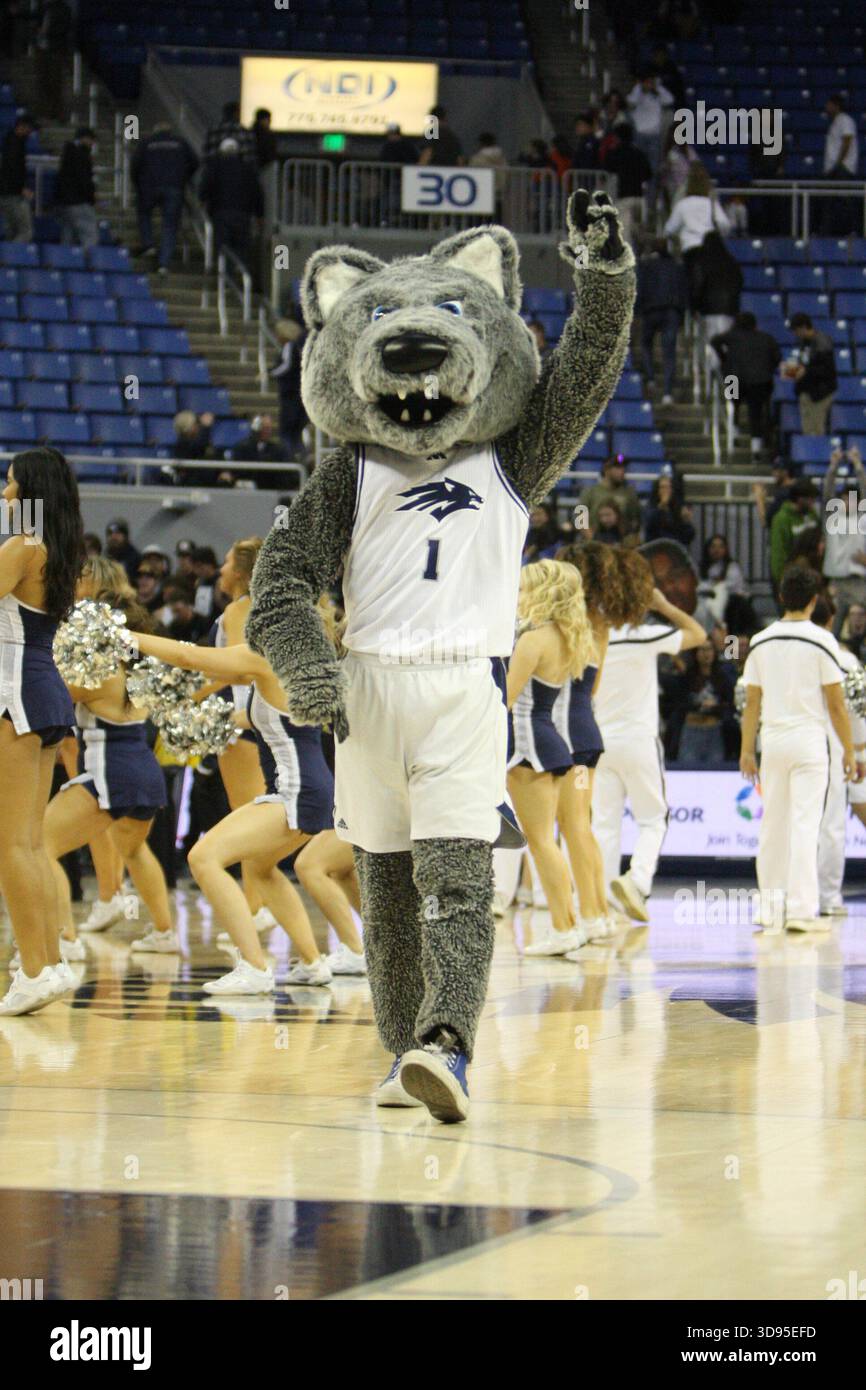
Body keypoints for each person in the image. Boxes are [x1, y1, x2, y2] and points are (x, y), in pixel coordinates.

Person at [128, 627, 336, 992]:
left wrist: (129, 636)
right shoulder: (288, 663)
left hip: (296, 792)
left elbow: (191, 657)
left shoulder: (268, 658)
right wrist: (194, 723)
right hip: (305, 789)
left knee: (204, 858)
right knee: (261, 868)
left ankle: (254, 968)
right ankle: (313, 962)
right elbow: (245, 716)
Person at [43, 588, 177, 959]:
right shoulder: (138, 670)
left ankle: (64, 940)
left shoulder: (100, 670)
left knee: (40, 847)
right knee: (133, 850)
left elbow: (51, 694)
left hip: (111, 773)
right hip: (146, 774)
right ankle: (165, 933)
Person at [0, 448, 85, 1015]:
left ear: (29, 491)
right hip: (45, 688)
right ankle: (48, 964)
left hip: (15, 696)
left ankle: (34, 968)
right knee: (28, 843)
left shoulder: (21, 546)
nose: (4, 496)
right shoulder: (57, 548)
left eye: (9, 486)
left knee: (12, 845)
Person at [592, 548, 706, 923]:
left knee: (603, 825)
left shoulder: (597, 635)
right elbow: (698, 634)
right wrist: (663, 605)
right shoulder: (644, 635)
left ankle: (603, 902)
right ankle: (638, 881)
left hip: (598, 741)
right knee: (654, 819)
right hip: (638, 740)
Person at [740, 565, 856, 931]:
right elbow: (836, 705)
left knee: (773, 824)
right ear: (813, 601)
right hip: (809, 740)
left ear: (780, 597)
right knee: (806, 823)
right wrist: (850, 750)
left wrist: (746, 750)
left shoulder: (760, 640)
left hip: (771, 741)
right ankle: (802, 909)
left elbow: (752, 703)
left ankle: (769, 908)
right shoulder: (823, 641)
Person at [506, 560, 591, 954]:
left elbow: (504, 699)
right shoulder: (564, 636)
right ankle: (568, 924)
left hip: (529, 747)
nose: (518, 596)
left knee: (541, 841)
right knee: (547, 840)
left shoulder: (533, 639)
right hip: (550, 741)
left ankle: (564, 927)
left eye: (524, 589)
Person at [553, 542, 621, 944]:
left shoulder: (566, 620)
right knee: (582, 824)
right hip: (586, 729)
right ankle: (601, 911)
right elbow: (593, 685)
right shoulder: (600, 621)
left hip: (569, 735)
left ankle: (592, 915)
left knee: (573, 825)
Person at [812, 595, 866, 916]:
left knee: (788, 824)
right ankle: (828, 898)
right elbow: (858, 711)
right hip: (828, 746)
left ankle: (785, 899)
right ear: (831, 621)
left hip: (781, 742)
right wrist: (858, 751)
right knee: (831, 825)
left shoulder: (768, 645)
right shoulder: (844, 660)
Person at [130, 122, 199, 275]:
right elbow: (195, 162)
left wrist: (138, 185)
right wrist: (184, 177)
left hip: (148, 186)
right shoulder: (181, 143)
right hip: (174, 187)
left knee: (144, 214)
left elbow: (135, 165)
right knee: (170, 225)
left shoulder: (146, 143)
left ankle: (149, 245)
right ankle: (163, 264)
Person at [711, 312, 781, 456]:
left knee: (732, 406)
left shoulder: (731, 336)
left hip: (733, 377)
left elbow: (714, 341)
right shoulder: (766, 338)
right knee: (756, 413)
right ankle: (756, 446)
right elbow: (777, 358)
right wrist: (767, 369)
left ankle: (734, 434)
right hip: (759, 380)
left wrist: (724, 358)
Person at [663, 163, 731, 300]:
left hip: (690, 250)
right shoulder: (710, 203)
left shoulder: (683, 205)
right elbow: (725, 225)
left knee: (690, 286)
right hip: (709, 250)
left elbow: (669, 229)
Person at [199, 137, 264, 269]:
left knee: (223, 246)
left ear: (221, 151)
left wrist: (202, 200)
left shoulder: (214, 167)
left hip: (220, 213)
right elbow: (257, 192)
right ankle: (239, 276)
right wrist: (259, 214)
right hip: (243, 214)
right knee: (241, 247)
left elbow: (205, 187)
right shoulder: (248, 169)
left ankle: (224, 276)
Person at [637, 236, 688, 404]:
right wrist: (682, 313)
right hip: (671, 311)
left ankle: (650, 378)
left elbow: (640, 287)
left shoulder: (645, 266)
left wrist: (637, 310)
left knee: (645, 344)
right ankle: (667, 392)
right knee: (669, 352)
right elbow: (683, 290)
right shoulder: (677, 266)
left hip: (651, 310)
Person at [669, 640, 735, 765]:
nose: (706, 653)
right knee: (688, 772)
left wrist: (715, 707)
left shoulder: (722, 677)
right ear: (696, 653)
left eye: (709, 649)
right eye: (702, 649)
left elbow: (730, 704)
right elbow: (679, 704)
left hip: (713, 731)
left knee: (716, 773)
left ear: (714, 652)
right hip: (691, 731)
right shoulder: (687, 676)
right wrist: (699, 705)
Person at [821, 445, 866, 628]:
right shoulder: (832, 518)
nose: (848, 502)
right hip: (836, 581)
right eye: (844, 498)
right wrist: (833, 467)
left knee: (859, 628)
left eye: (852, 498)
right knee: (833, 630)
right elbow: (827, 492)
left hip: (859, 582)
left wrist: (858, 464)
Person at [785, 313, 838, 437]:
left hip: (821, 392)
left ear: (803, 327)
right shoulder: (801, 342)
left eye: (796, 330)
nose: (795, 334)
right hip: (805, 390)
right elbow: (802, 362)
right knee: (807, 430)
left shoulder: (822, 342)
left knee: (816, 430)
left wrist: (805, 371)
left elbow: (827, 369)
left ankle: (817, 455)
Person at [601, 124, 652, 244]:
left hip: (624, 197)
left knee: (625, 233)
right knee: (639, 231)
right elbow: (649, 174)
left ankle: (630, 259)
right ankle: (645, 253)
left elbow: (607, 167)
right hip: (639, 198)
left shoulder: (616, 153)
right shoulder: (639, 153)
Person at [687, 229, 743, 338]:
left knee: (712, 341)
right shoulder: (731, 261)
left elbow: (698, 285)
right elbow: (739, 282)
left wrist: (694, 307)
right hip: (730, 308)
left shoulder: (702, 262)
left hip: (709, 308)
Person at [769, 479, 820, 592]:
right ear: (800, 499)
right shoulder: (781, 519)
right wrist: (781, 578)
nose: (813, 503)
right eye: (811, 499)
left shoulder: (812, 514)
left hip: (811, 576)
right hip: (791, 578)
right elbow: (778, 552)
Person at [820, 94, 859, 235]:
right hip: (833, 169)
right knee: (832, 202)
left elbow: (847, 141)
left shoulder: (845, 120)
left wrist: (839, 164)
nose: (826, 107)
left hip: (842, 168)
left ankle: (853, 230)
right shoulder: (835, 122)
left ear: (836, 105)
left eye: (829, 104)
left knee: (845, 200)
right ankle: (830, 232)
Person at [699, 533, 754, 632]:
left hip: (732, 604)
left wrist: (718, 585)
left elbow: (733, 586)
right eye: (713, 546)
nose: (717, 550)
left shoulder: (732, 567)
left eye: (720, 546)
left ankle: (732, 645)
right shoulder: (702, 568)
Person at [54, 126, 98, 248]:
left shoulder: (68, 153)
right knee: (90, 235)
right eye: (92, 140)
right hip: (79, 202)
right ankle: (90, 265)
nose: (93, 144)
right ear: (85, 139)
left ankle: (65, 265)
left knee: (68, 237)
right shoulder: (81, 155)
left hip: (64, 203)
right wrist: (91, 197)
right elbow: (84, 180)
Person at [579, 453, 641, 539]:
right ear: (606, 469)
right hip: (594, 542)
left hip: (621, 543)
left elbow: (635, 520)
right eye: (618, 467)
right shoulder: (589, 492)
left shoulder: (629, 493)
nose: (622, 471)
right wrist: (593, 540)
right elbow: (580, 521)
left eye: (623, 467)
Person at [626, 71, 674, 175]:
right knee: (637, 166)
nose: (648, 84)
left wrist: (657, 88)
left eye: (650, 82)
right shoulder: (637, 92)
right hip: (639, 135)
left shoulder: (658, 94)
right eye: (646, 82)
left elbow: (669, 100)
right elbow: (631, 101)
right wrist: (639, 88)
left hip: (654, 136)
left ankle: (651, 191)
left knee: (654, 168)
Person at [271, 319, 306, 455]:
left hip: (291, 394)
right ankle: (300, 457)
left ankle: (289, 458)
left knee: (286, 432)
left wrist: (270, 373)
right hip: (298, 395)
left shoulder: (290, 347)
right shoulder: (299, 347)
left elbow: (286, 365)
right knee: (295, 433)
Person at [224, 414, 290, 487]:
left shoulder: (278, 450)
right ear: (256, 429)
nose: (267, 431)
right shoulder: (242, 447)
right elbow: (235, 469)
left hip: (270, 489)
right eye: (264, 428)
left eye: (269, 428)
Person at [0, 111, 35, 242]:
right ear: (22, 126)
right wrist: (21, 188)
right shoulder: (15, 145)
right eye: (29, 128)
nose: (30, 132)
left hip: (6, 193)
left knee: (11, 232)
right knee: (26, 232)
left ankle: (8, 260)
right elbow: (12, 169)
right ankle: (12, 259)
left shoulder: (9, 141)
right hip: (14, 194)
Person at [34, 0, 72, 123]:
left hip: (56, 50)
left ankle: (58, 113)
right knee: (42, 81)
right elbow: (35, 18)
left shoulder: (64, 9)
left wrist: (47, 32)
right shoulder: (43, 7)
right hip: (42, 49)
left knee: (55, 82)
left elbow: (64, 28)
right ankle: (45, 112)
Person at [645, 473, 695, 544]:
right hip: (656, 549)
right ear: (657, 490)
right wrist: (661, 507)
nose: (666, 490)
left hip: (675, 549)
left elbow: (688, 536)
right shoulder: (651, 506)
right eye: (662, 487)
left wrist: (687, 522)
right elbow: (649, 526)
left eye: (668, 487)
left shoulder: (678, 507)